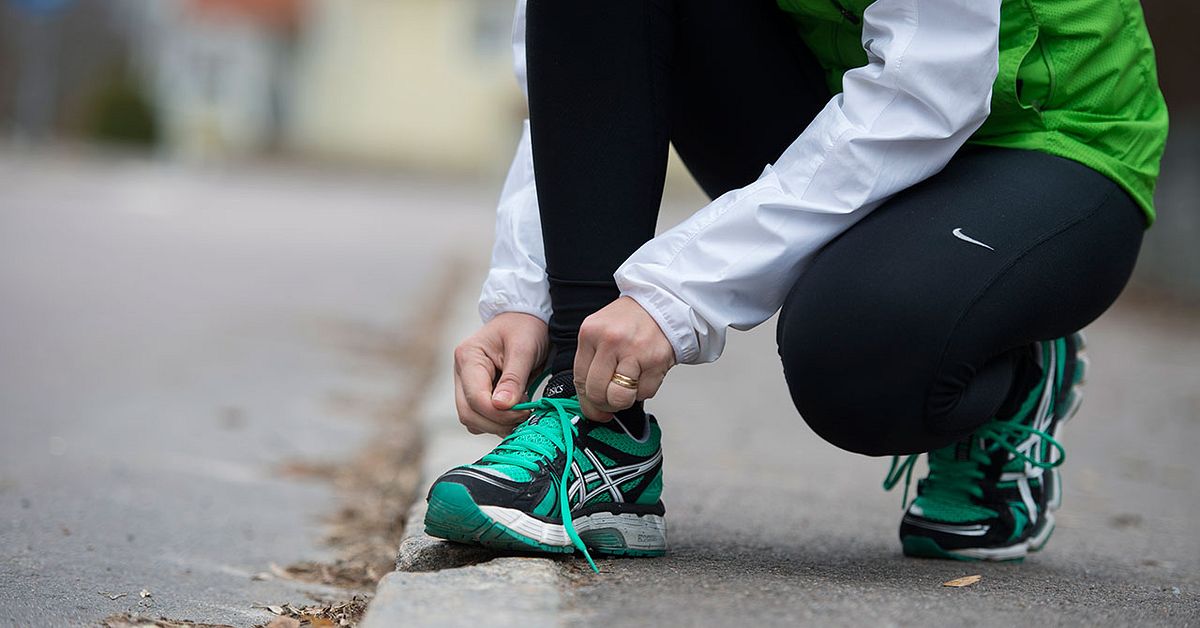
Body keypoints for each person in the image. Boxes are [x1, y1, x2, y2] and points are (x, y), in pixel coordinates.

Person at [422, 0, 1168, 569]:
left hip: (1046, 140)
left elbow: (930, 85)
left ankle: (1012, 367)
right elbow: (581, 74)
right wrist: (532, 295)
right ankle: (595, 433)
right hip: (842, 94)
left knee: (854, 353)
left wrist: (672, 293)